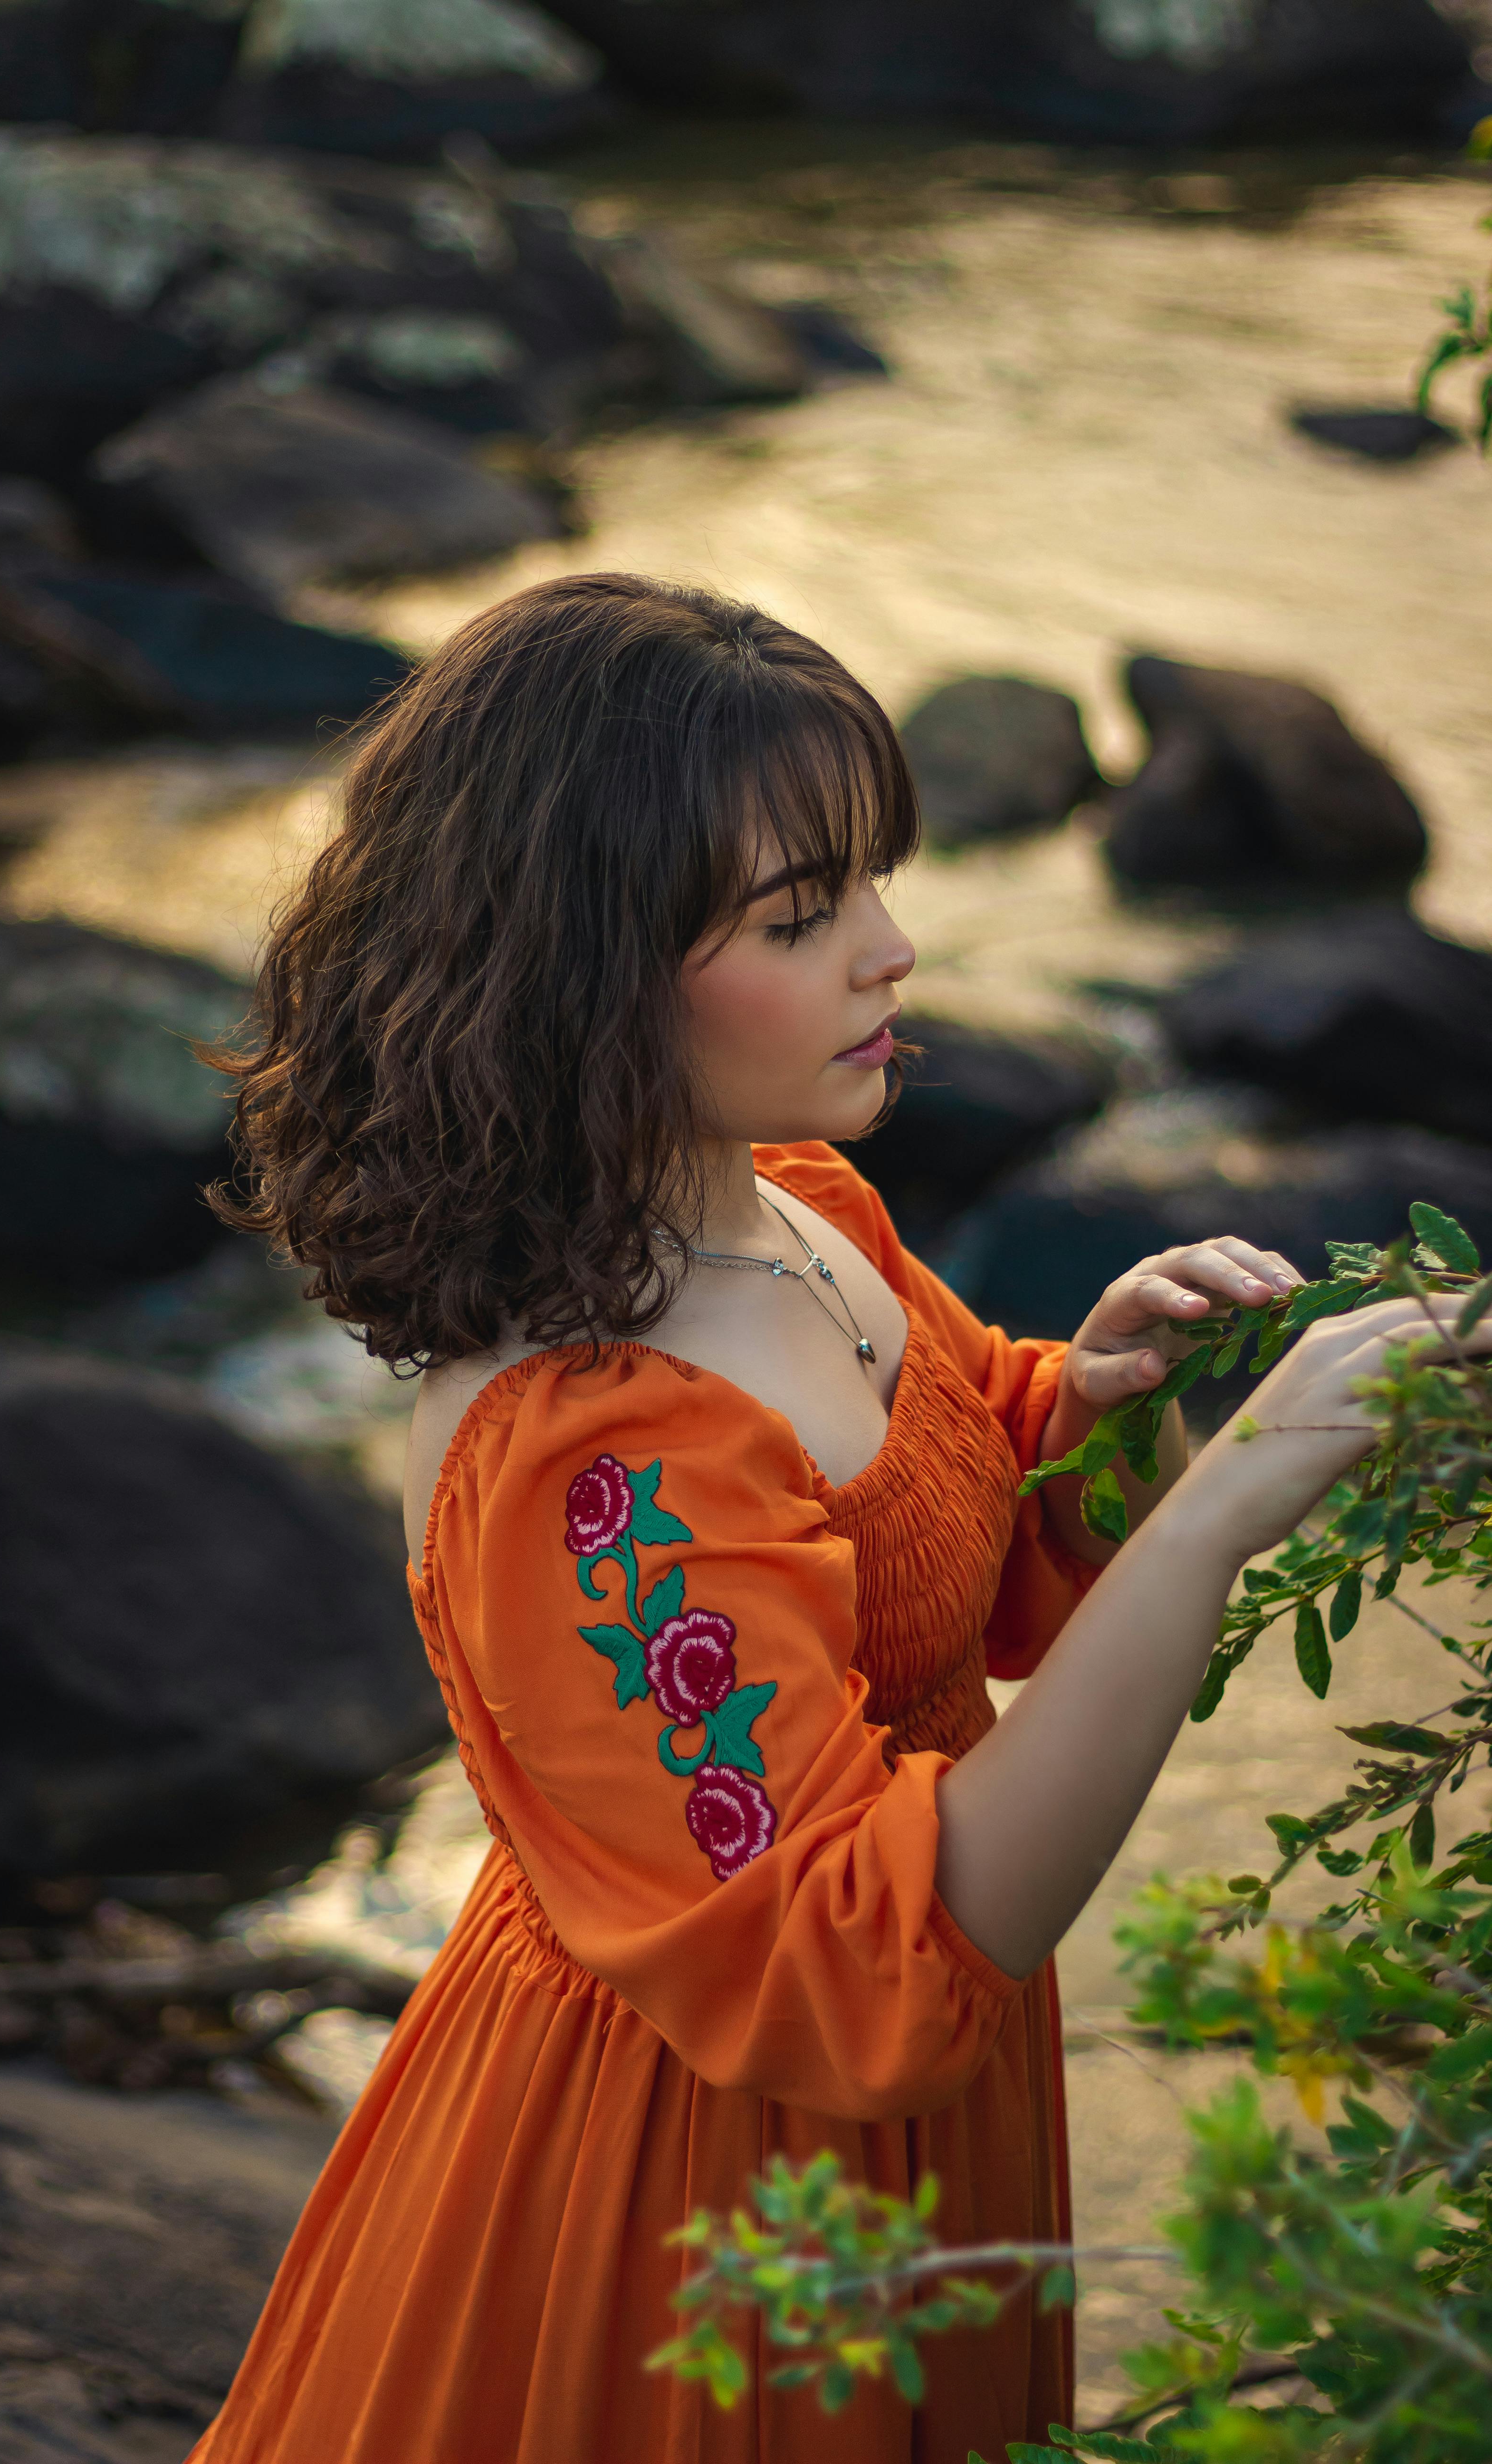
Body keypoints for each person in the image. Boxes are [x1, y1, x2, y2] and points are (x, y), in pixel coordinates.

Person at [189, 574, 1450, 2464]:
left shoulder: (785, 1204)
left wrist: (1090, 1419)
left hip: (892, 2143)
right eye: (803, 916)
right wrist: (1227, 1512)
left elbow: (924, 1560)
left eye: (871, 883)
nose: (895, 952)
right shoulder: (592, 1465)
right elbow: (866, 1957)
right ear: (587, 975)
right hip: (691, 2192)